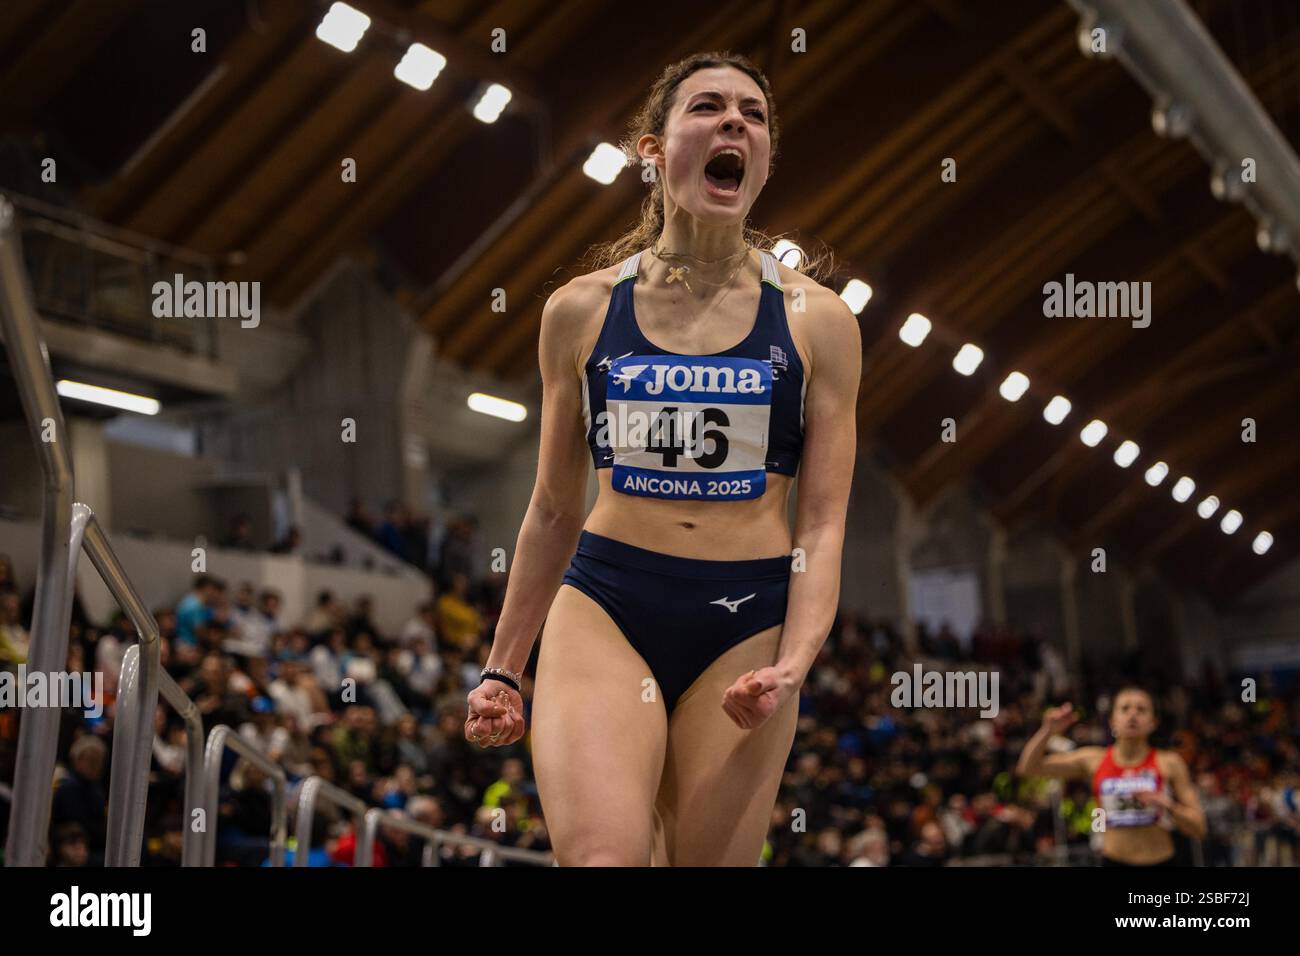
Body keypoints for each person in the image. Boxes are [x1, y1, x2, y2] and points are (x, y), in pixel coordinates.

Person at [463, 51, 860, 866]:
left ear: (764, 159)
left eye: (751, 115)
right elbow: (551, 509)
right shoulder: (578, 312)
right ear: (652, 149)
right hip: (608, 604)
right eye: (708, 107)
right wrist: (503, 668)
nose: (733, 124)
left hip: (744, 624)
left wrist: (795, 665)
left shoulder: (818, 322)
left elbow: (819, 527)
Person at [1017, 686, 1207, 866]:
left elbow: (1199, 827)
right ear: (1112, 721)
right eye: (1125, 709)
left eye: (1141, 710)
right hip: (1114, 860)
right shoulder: (1093, 759)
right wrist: (1047, 730)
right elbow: (1028, 768)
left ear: (1153, 723)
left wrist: (1169, 805)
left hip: (1162, 861)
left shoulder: (1169, 762)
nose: (1133, 714)